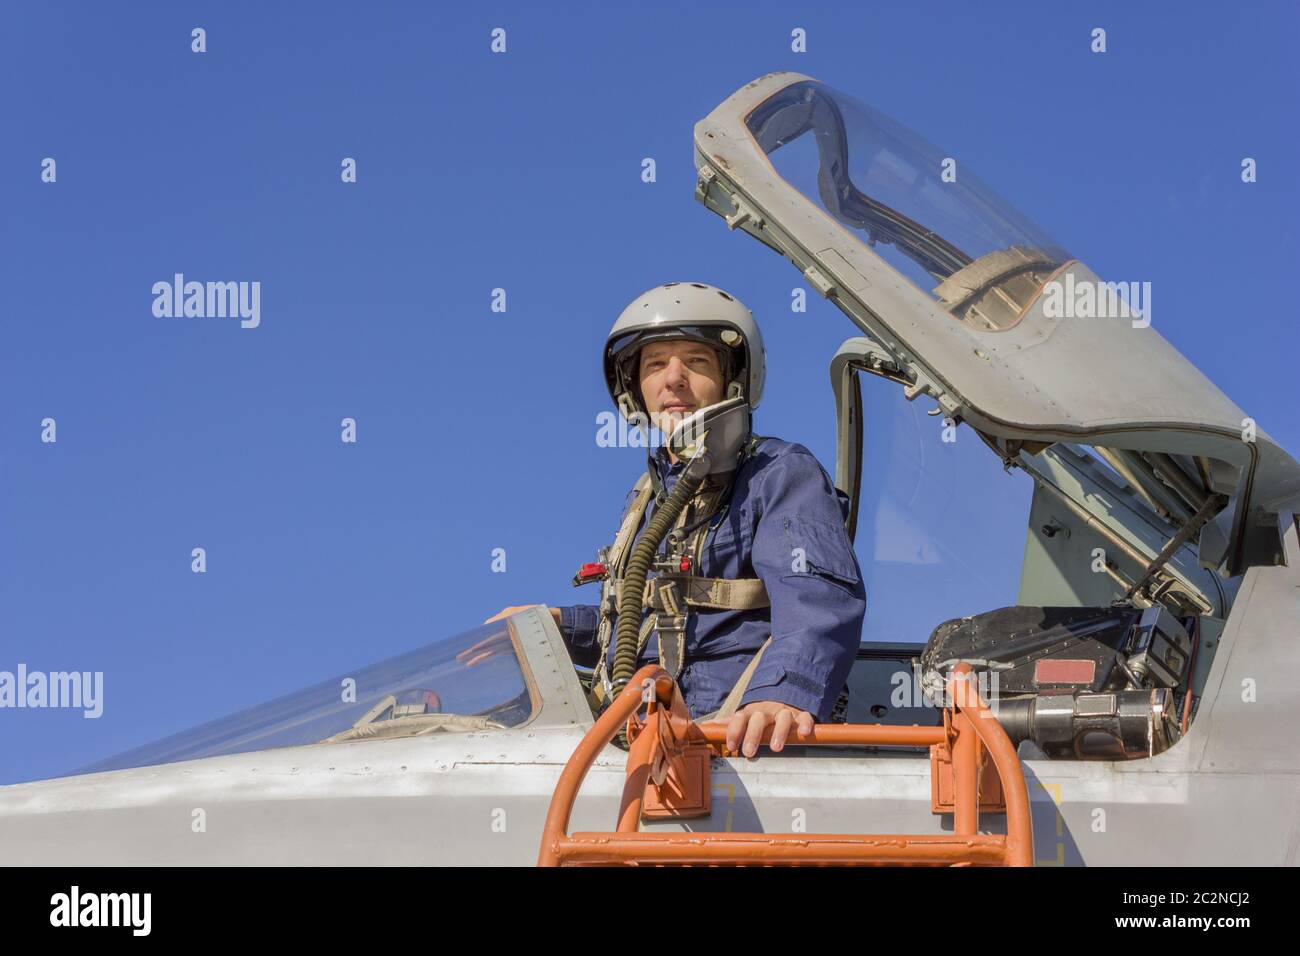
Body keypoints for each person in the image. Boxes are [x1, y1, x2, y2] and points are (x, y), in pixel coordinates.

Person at [487, 282, 865, 757]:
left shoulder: (779, 473)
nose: (674, 379)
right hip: (641, 741)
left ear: (734, 381)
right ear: (635, 389)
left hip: (733, 747)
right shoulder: (647, 499)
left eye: (697, 361)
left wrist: (782, 693)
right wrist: (556, 623)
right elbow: (643, 617)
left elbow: (816, 598)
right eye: (655, 364)